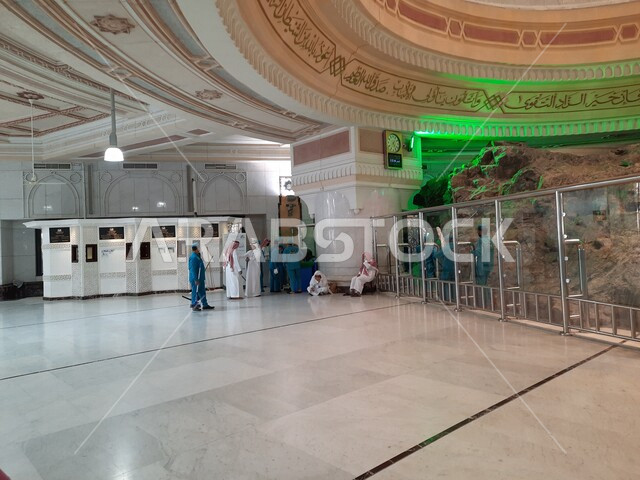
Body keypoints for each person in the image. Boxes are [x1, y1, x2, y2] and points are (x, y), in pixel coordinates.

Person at [188, 244, 214, 311]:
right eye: (198, 248)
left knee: (202, 292)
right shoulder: (193, 257)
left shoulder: (197, 256)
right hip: (196, 279)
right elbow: (192, 269)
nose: (199, 249)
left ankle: (205, 304)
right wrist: (196, 279)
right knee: (195, 292)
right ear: (196, 249)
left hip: (200, 278)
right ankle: (194, 305)